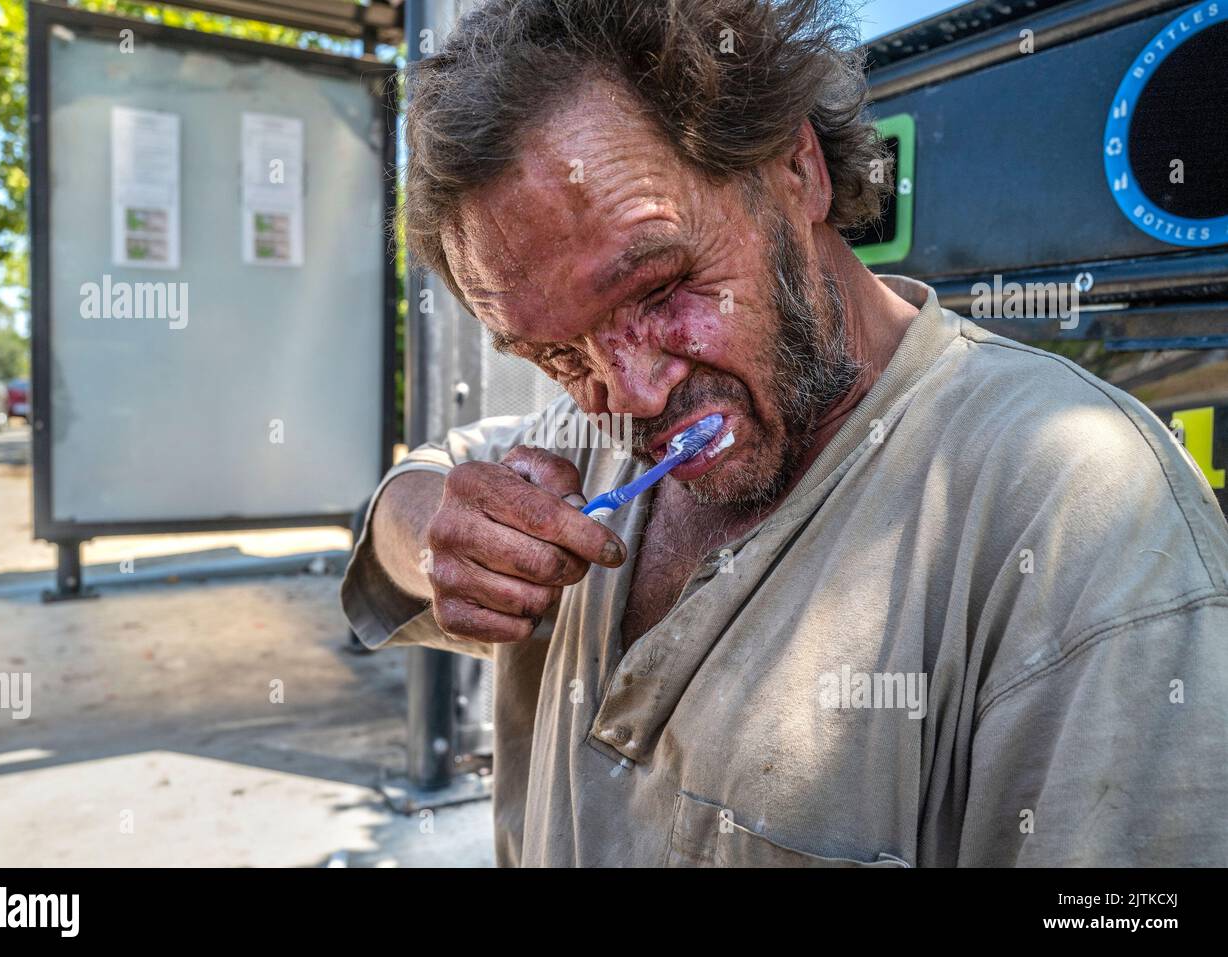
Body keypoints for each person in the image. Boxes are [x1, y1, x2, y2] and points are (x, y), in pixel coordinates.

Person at [342, 0, 1228, 866]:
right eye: (556, 352)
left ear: (797, 167)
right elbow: (411, 500)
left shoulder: (1076, 508)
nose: (633, 397)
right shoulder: (586, 437)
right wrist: (439, 537)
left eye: (659, 291)